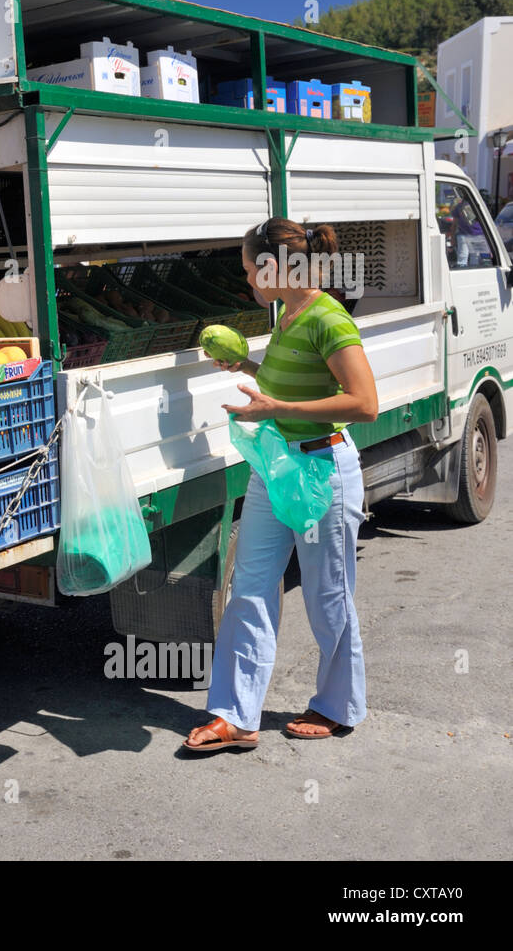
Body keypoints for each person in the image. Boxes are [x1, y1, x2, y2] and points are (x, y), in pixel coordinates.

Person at [183, 217, 378, 752]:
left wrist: (280, 408)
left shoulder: (328, 317)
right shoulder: (289, 315)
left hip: (323, 473)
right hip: (277, 471)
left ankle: (337, 706)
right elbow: (292, 379)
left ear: (274, 265)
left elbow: (364, 403)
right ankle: (235, 715)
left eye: (250, 270)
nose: (248, 281)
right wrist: (245, 366)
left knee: (326, 596)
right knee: (248, 589)